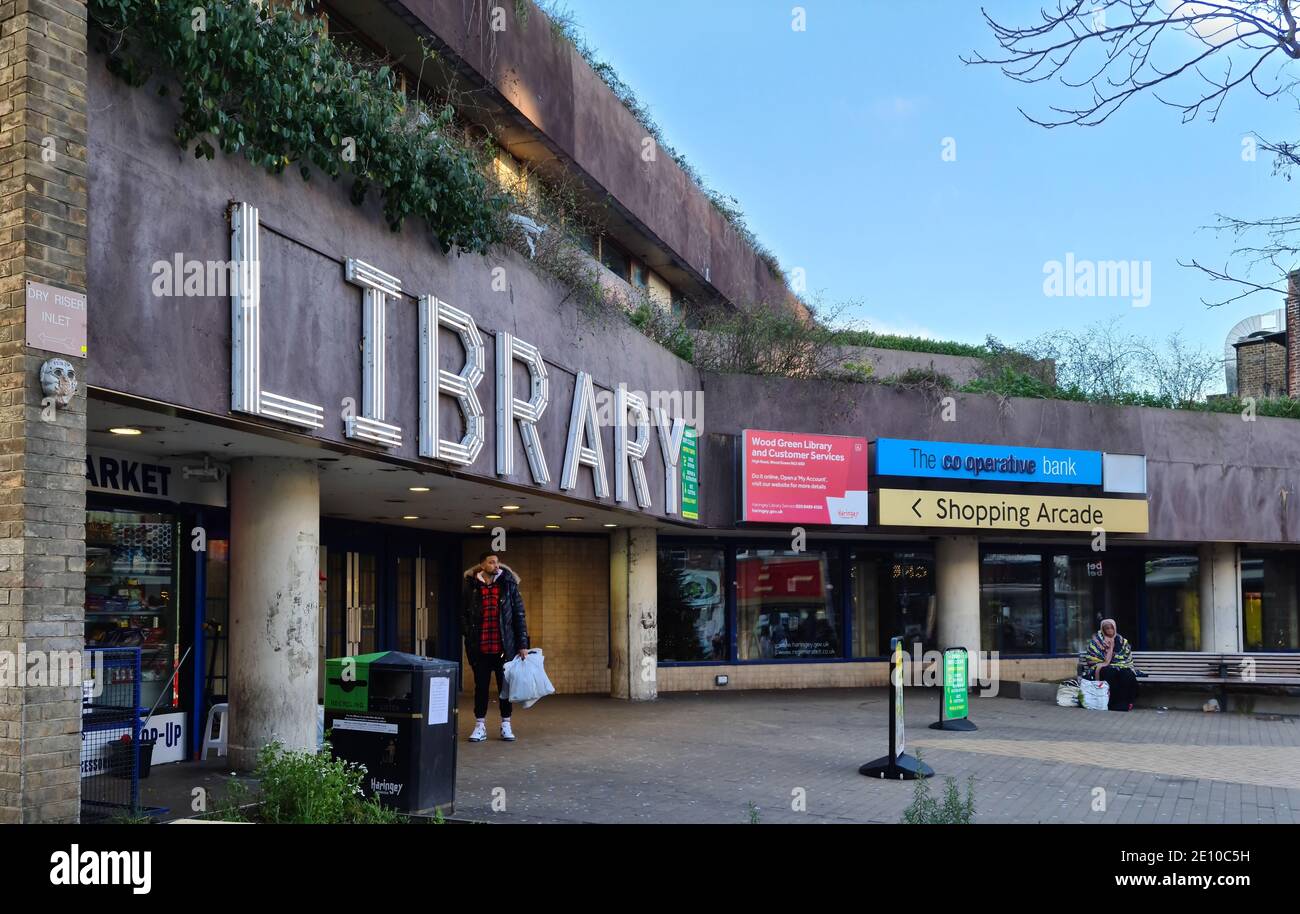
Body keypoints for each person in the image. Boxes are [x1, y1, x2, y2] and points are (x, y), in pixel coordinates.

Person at [461, 551, 530, 742]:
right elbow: (463, 614)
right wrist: (468, 632)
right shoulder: (471, 586)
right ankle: (479, 726)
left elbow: (519, 615)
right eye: (491, 562)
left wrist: (522, 645)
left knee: (505, 689)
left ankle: (506, 725)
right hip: (480, 648)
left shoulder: (508, 585)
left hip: (504, 648)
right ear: (482, 565)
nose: (496, 566)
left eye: (497, 562)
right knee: (480, 688)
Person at [1083, 618, 1138, 712]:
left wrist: (1114, 656)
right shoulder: (1097, 641)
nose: (1109, 630)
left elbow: (1126, 656)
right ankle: (1111, 703)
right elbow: (1092, 657)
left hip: (1121, 665)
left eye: (1111, 628)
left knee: (1127, 675)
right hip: (1101, 666)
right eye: (1107, 628)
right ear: (1103, 629)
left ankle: (1125, 704)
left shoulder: (1121, 641)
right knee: (1109, 672)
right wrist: (1106, 660)